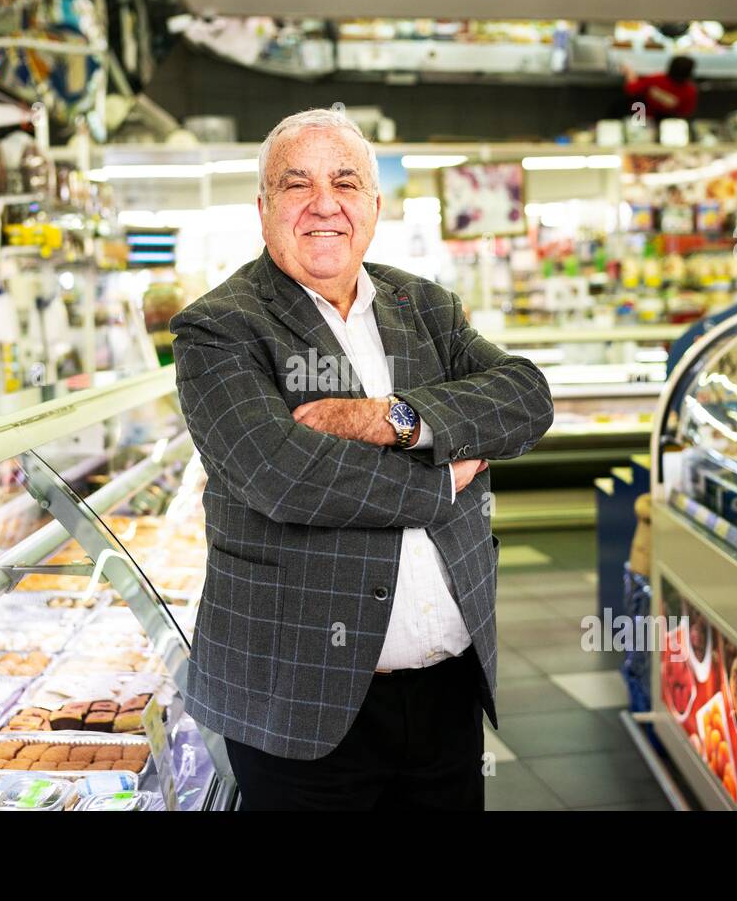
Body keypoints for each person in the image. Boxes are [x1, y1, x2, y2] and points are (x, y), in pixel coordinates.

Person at [169, 109, 554, 810]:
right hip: (298, 702)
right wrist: (444, 483)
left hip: (447, 692)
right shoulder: (219, 327)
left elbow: (526, 399)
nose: (325, 203)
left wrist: (393, 418)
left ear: (375, 206)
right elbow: (284, 475)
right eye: (297, 184)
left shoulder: (426, 305)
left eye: (345, 182)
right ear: (263, 209)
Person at [622, 55, 698, 119]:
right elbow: (685, 113)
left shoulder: (656, 79)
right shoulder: (690, 90)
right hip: (670, 123)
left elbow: (631, 89)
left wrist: (630, 72)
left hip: (646, 117)